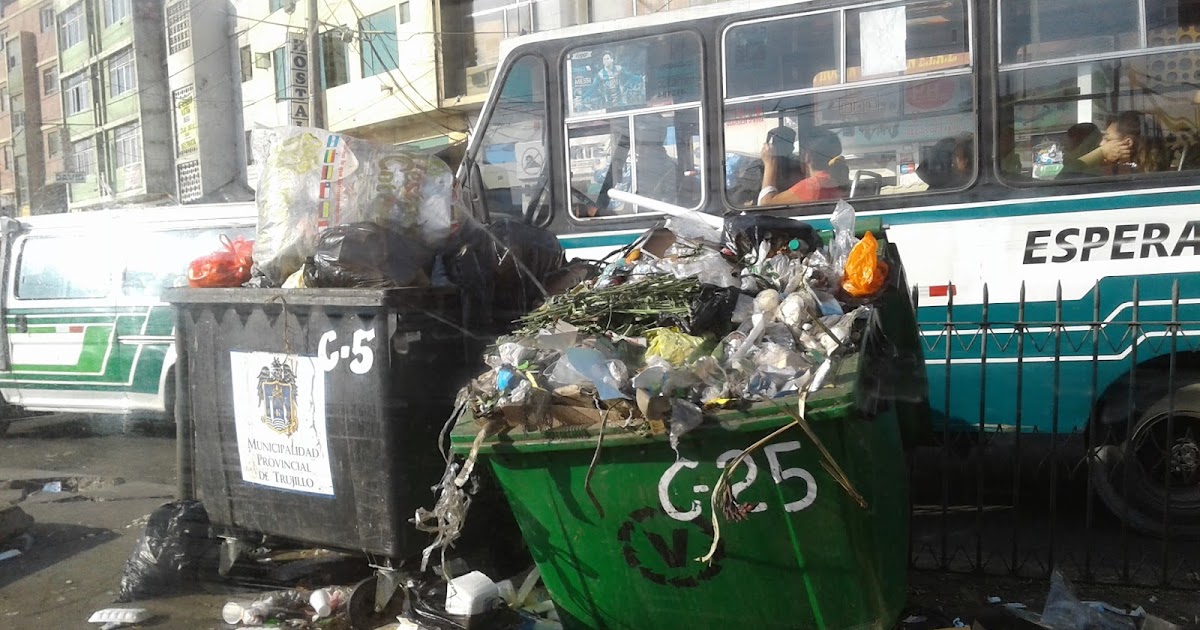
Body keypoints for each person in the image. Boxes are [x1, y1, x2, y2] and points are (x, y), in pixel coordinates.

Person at [757, 128, 847, 205]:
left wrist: (770, 163)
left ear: (807, 157)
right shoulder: (835, 180)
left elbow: (765, 204)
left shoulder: (813, 185)